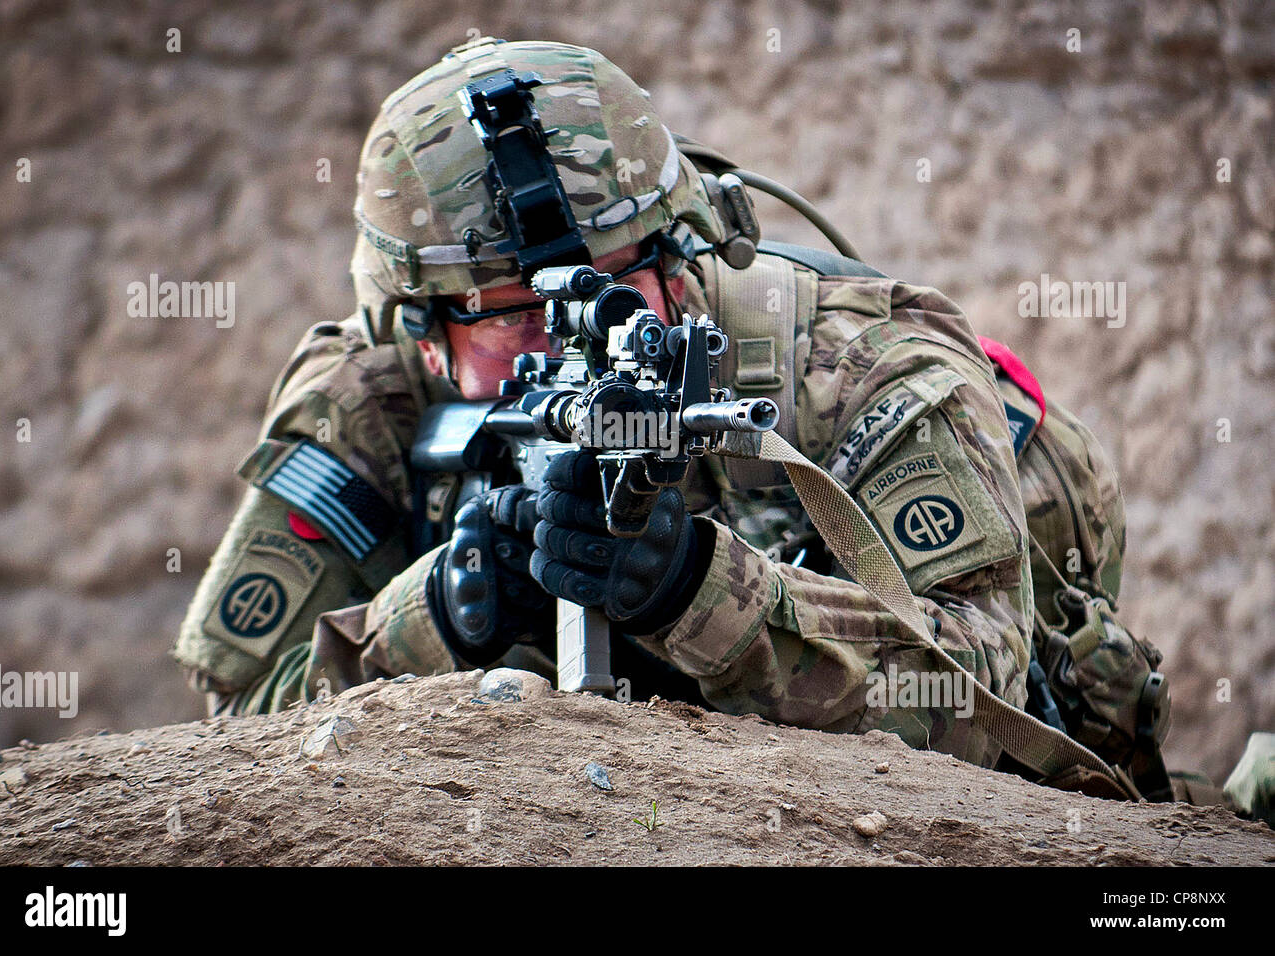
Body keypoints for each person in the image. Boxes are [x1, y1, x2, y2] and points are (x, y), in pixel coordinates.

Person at [173, 36, 1039, 771]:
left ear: (677, 251)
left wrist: (699, 594)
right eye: (513, 313)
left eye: (608, 290)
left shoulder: (850, 367)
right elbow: (235, 726)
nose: (568, 344)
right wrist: (435, 616)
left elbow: (990, 702)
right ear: (424, 329)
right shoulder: (373, 398)